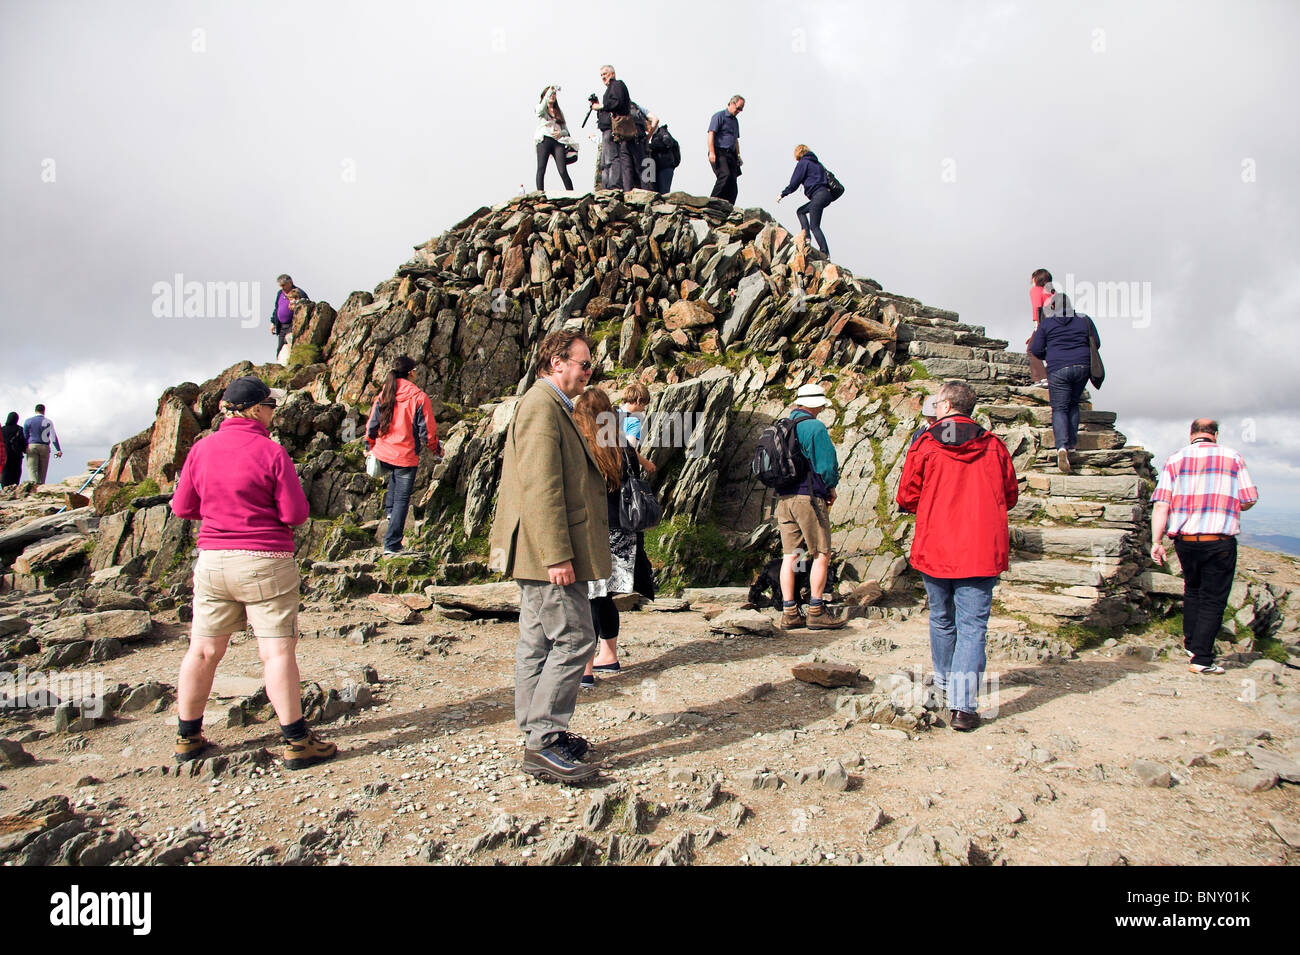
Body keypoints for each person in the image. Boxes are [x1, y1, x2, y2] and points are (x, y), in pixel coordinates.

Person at [169, 375, 336, 770]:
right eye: (271, 405)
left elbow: (181, 506)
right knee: (276, 651)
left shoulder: (201, 450)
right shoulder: (270, 452)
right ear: (255, 409)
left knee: (204, 650)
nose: (274, 412)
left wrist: (216, 514)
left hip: (213, 561)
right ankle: (296, 741)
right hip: (264, 561)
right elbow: (295, 514)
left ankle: (187, 736)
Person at [488, 330, 611, 783]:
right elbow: (541, 487)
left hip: (542, 553)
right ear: (557, 362)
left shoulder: (553, 405)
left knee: (537, 642)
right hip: (550, 555)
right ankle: (543, 740)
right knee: (576, 639)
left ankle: (538, 733)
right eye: (583, 363)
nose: (588, 372)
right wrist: (557, 555)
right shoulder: (541, 406)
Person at [896, 380, 1019, 732]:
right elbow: (1009, 495)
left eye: (936, 402)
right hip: (981, 547)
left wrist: (934, 502)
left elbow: (906, 496)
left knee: (941, 617)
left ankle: (946, 684)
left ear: (947, 406)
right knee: (972, 627)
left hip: (936, 544)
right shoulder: (994, 445)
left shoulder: (925, 444)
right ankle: (963, 708)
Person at [1151, 419, 1259, 675]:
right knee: (1213, 599)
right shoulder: (1233, 457)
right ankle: (1202, 658)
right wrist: (1230, 504)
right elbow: (1249, 498)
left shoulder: (1175, 459)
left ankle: (1191, 644)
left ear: (1192, 435)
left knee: (1193, 590)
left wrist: (1156, 541)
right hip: (1218, 540)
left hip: (1186, 541)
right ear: (1215, 435)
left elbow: (1161, 504)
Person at [574, 387, 656, 688]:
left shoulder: (584, 443)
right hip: (623, 533)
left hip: (594, 531)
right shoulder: (621, 442)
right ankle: (608, 655)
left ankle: (585, 668)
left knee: (588, 598)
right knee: (604, 596)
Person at [775, 383, 847, 631]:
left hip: (784, 499)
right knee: (821, 553)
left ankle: (789, 611)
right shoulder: (814, 427)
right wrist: (830, 488)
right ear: (817, 404)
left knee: (791, 555)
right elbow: (826, 465)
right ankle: (816, 611)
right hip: (808, 498)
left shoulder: (782, 426)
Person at [366, 356, 439, 555]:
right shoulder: (419, 397)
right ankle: (392, 544)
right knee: (402, 500)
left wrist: (369, 444)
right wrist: (437, 450)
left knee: (394, 484)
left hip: (384, 452)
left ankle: (390, 516)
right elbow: (428, 432)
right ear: (412, 372)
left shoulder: (386, 392)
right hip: (405, 455)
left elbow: (373, 422)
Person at [1028, 291, 1101, 474]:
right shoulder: (1084, 320)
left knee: (1060, 408)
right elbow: (1096, 343)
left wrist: (1051, 355)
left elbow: (1036, 349)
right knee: (1073, 404)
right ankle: (1072, 446)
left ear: (1053, 307)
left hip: (1058, 368)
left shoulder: (1048, 324)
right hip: (1082, 366)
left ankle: (1062, 447)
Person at [778, 144, 833, 254]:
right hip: (826, 195)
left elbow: (794, 183)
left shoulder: (803, 163)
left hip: (818, 195)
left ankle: (824, 252)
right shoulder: (817, 164)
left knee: (814, 226)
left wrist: (783, 194)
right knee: (801, 211)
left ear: (798, 154)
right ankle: (807, 237)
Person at [594, 65, 634, 192]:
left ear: (612, 74)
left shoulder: (617, 85)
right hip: (606, 128)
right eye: (601, 75)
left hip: (612, 128)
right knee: (606, 160)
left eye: (605, 74)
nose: (603, 77)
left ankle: (614, 185)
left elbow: (616, 102)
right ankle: (608, 186)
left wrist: (602, 106)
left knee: (612, 157)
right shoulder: (611, 88)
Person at [535, 85, 575, 191]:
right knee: (541, 168)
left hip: (558, 141)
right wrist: (549, 91)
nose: (552, 96)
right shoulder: (541, 108)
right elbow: (539, 111)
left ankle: (571, 193)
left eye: (554, 94)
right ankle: (540, 193)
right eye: (550, 94)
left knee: (563, 170)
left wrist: (560, 133)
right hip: (544, 139)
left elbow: (566, 131)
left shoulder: (558, 111)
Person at [707, 95, 745, 204]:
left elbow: (735, 140)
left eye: (741, 109)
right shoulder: (719, 116)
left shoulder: (735, 121)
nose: (739, 111)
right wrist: (712, 152)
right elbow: (711, 134)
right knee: (725, 175)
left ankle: (728, 208)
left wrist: (738, 156)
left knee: (733, 184)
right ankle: (711, 203)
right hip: (719, 152)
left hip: (731, 154)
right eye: (738, 108)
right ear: (732, 103)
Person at [619, 381, 656, 477]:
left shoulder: (612, 412)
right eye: (644, 405)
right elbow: (629, 449)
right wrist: (646, 464)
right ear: (639, 400)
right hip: (620, 470)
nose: (643, 409)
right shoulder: (633, 422)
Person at [268, 274, 308, 358]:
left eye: (283, 285)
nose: (282, 288)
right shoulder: (280, 293)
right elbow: (277, 308)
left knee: (290, 345)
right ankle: (279, 366)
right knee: (280, 348)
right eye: (280, 286)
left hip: (293, 324)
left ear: (290, 282)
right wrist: (273, 323)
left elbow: (307, 306)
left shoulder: (299, 293)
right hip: (282, 326)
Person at [22, 404, 62, 485]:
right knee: (43, 470)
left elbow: (25, 436)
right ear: (44, 411)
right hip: (44, 446)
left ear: (35, 410)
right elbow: (53, 437)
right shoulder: (48, 422)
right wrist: (58, 449)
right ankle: (41, 486)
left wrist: (24, 447)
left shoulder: (28, 421)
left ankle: (33, 486)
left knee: (32, 469)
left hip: (32, 446)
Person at [1026, 268, 1053, 382]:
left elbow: (1037, 308)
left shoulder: (1036, 290)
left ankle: (1041, 378)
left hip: (1043, 323)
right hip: (1055, 324)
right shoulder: (1051, 292)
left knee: (1031, 350)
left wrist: (1037, 328)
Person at [646, 114, 680, 194]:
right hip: (655, 168)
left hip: (665, 167)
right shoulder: (652, 136)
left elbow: (668, 143)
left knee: (664, 193)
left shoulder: (662, 132)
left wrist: (651, 146)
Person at [1, 412, 26, 487]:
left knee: (5, 471)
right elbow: (23, 441)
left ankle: (4, 488)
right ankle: (14, 487)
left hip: (5, 454)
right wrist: (24, 449)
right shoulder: (20, 429)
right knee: (16, 471)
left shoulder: (2, 429)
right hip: (16, 454)